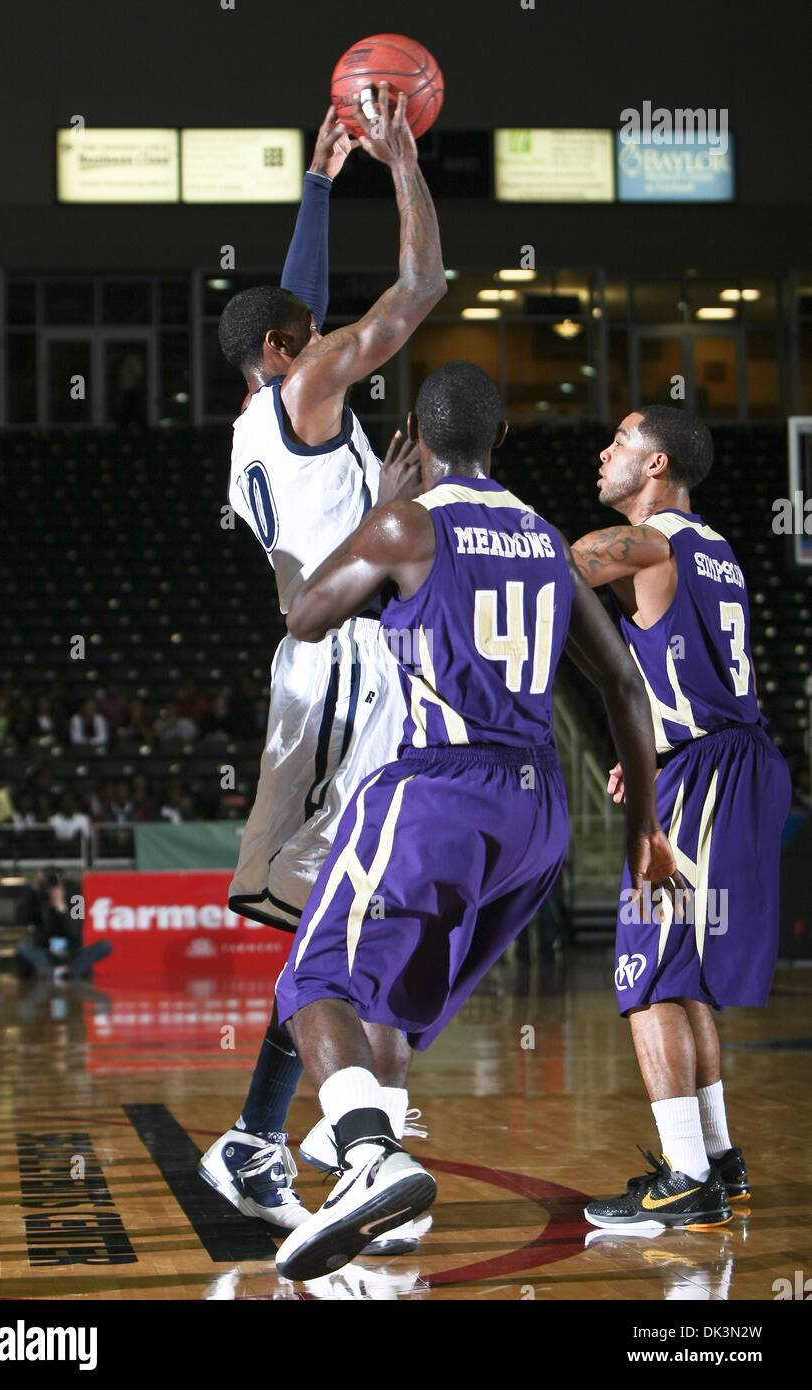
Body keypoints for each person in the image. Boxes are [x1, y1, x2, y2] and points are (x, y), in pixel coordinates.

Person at [270, 361, 676, 1282]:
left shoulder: (407, 521)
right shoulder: (545, 538)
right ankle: (391, 1209)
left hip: (438, 790)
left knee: (315, 981)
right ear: (499, 441)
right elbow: (620, 685)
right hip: (536, 816)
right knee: (396, 999)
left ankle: (372, 1157)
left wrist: (374, 506)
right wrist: (644, 828)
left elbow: (304, 616)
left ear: (414, 433)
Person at [199, 91, 447, 1245]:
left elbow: (289, 310)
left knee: (328, 929)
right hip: (343, 671)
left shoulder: (266, 410)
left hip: (321, 674)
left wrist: (315, 180)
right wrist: (398, 166)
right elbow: (413, 298)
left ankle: (267, 1136)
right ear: (283, 354)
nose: (320, 339)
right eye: (307, 334)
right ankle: (348, 1137)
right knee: (337, 930)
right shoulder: (303, 389)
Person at [570, 405, 792, 1230]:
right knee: (685, 975)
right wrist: (655, 747)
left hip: (711, 772)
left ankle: (687, 1178)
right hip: (726, 760)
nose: (604, 453)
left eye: (620, 442)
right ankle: (718, 1161)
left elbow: (554, 565)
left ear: (656, 464)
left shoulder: (652, 543)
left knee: (649, 975)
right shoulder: (717, 549)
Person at [15, 869, 111, 982]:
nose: (52, 888)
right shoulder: (37, 898)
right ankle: (61, 972)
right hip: (47, 951)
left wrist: (61, 908)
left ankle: (66, 971)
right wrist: (37, 897)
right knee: (22, 947)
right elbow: (21, 919)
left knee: (105, 945)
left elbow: (76, 930)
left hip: (73, 951)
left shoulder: (77, 899)